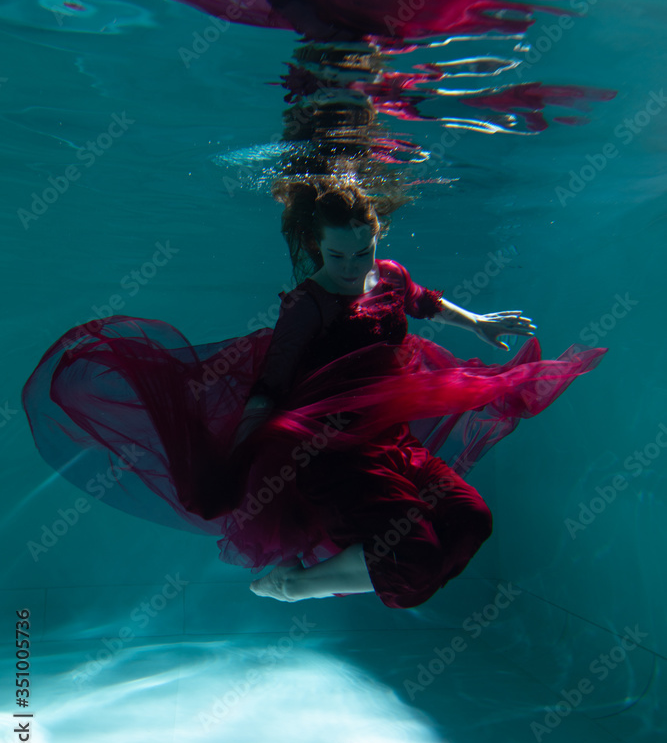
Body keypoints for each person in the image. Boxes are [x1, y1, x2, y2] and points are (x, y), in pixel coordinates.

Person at [22, 177, 607, 609]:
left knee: (471, 520)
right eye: (338, 255)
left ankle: (326, 573)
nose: (354, 267)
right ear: (314, 245)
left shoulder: (388, 276)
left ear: (377, 238)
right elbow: (271, 383)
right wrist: (240, 454)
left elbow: (420, 299)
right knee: (416, 553)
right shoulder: (308, 306)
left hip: (391, 440)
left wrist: (476, 323)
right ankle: (298, 584)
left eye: (364, 252)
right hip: (328, 455)